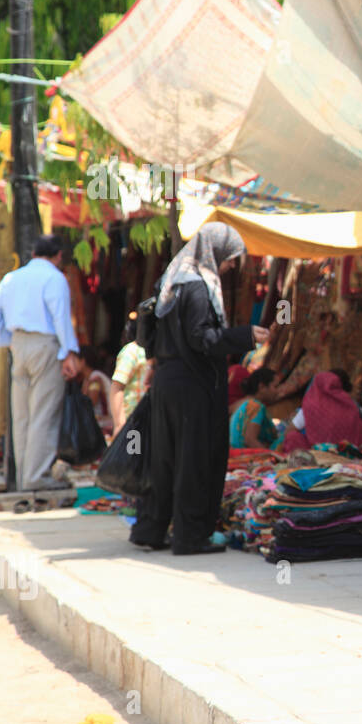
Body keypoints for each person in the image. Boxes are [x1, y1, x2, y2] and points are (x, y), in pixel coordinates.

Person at [131, 223, 267, 554]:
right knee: (194, 458)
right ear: (215, 253)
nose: (232, 266)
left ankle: (151, 529)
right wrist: (244, 335)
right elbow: (202, 338)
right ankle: (190, 536)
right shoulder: (198, 288)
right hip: (190, 385)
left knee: (164, 459)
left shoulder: (172, 283)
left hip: (168, 380)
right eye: (230, 258)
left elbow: (146, 333)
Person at [0, 234, 81, 492]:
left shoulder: (13, 278)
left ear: (34, 253)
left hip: (19, 345)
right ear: (58, 255)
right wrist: (69, 352)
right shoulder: (54, 278)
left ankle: (26, 476)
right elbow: (60, 317)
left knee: (22, 416)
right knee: (43, 413)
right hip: (45, 344)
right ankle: (36, 477)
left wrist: (5, 340)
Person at [283, 371, 362, 451]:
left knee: (292, 437)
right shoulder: (351, 404)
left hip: (320, 456)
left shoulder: (310, 407)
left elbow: (289, 431)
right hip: (351, 454)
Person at [110, 317, 151, 436]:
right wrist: (119, 423)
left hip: (150, 422)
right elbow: (117, 387)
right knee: (133, 452)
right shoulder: (132, 351)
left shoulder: (157, 351)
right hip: (133, 425)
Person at [229, 368, 285, 450]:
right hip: (249, 457)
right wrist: (271, 455)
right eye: (275, 386)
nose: (278, 391)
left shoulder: (238, 404)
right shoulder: (255, 406)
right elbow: (249, 440)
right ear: (261, 387)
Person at [78, 346, 114, 435]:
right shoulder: (89, 378)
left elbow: (91, 402)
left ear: (83, 362)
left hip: (105, 424)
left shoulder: (95, 378)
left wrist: (85, 391)